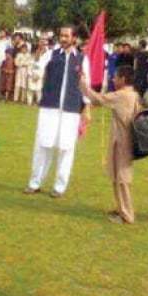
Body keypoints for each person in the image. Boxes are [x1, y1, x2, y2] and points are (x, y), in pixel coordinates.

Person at [24, 25, 90, 198]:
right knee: (43, 145)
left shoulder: (82, 59)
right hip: (49, 107)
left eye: (66, 36)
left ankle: (60, 186)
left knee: (66, 148)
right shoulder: (51, 54)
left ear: (74, 38)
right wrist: (36, 62)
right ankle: (35, 182)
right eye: (61, 35)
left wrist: (87, 108)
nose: (63, 39)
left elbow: (85, 86)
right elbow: (35, 73)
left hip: (70, 110)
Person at [79, 65, 141, 224]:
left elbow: (97, 99)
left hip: (122, 143)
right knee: (117, 176)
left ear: (123, 79)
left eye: (116, 77)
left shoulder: (122, 95)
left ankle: (127, 214)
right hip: (124, 141)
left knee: (122, 178)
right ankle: (121, 208)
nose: (113, 79)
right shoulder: (134, 94)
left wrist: (83, 84)